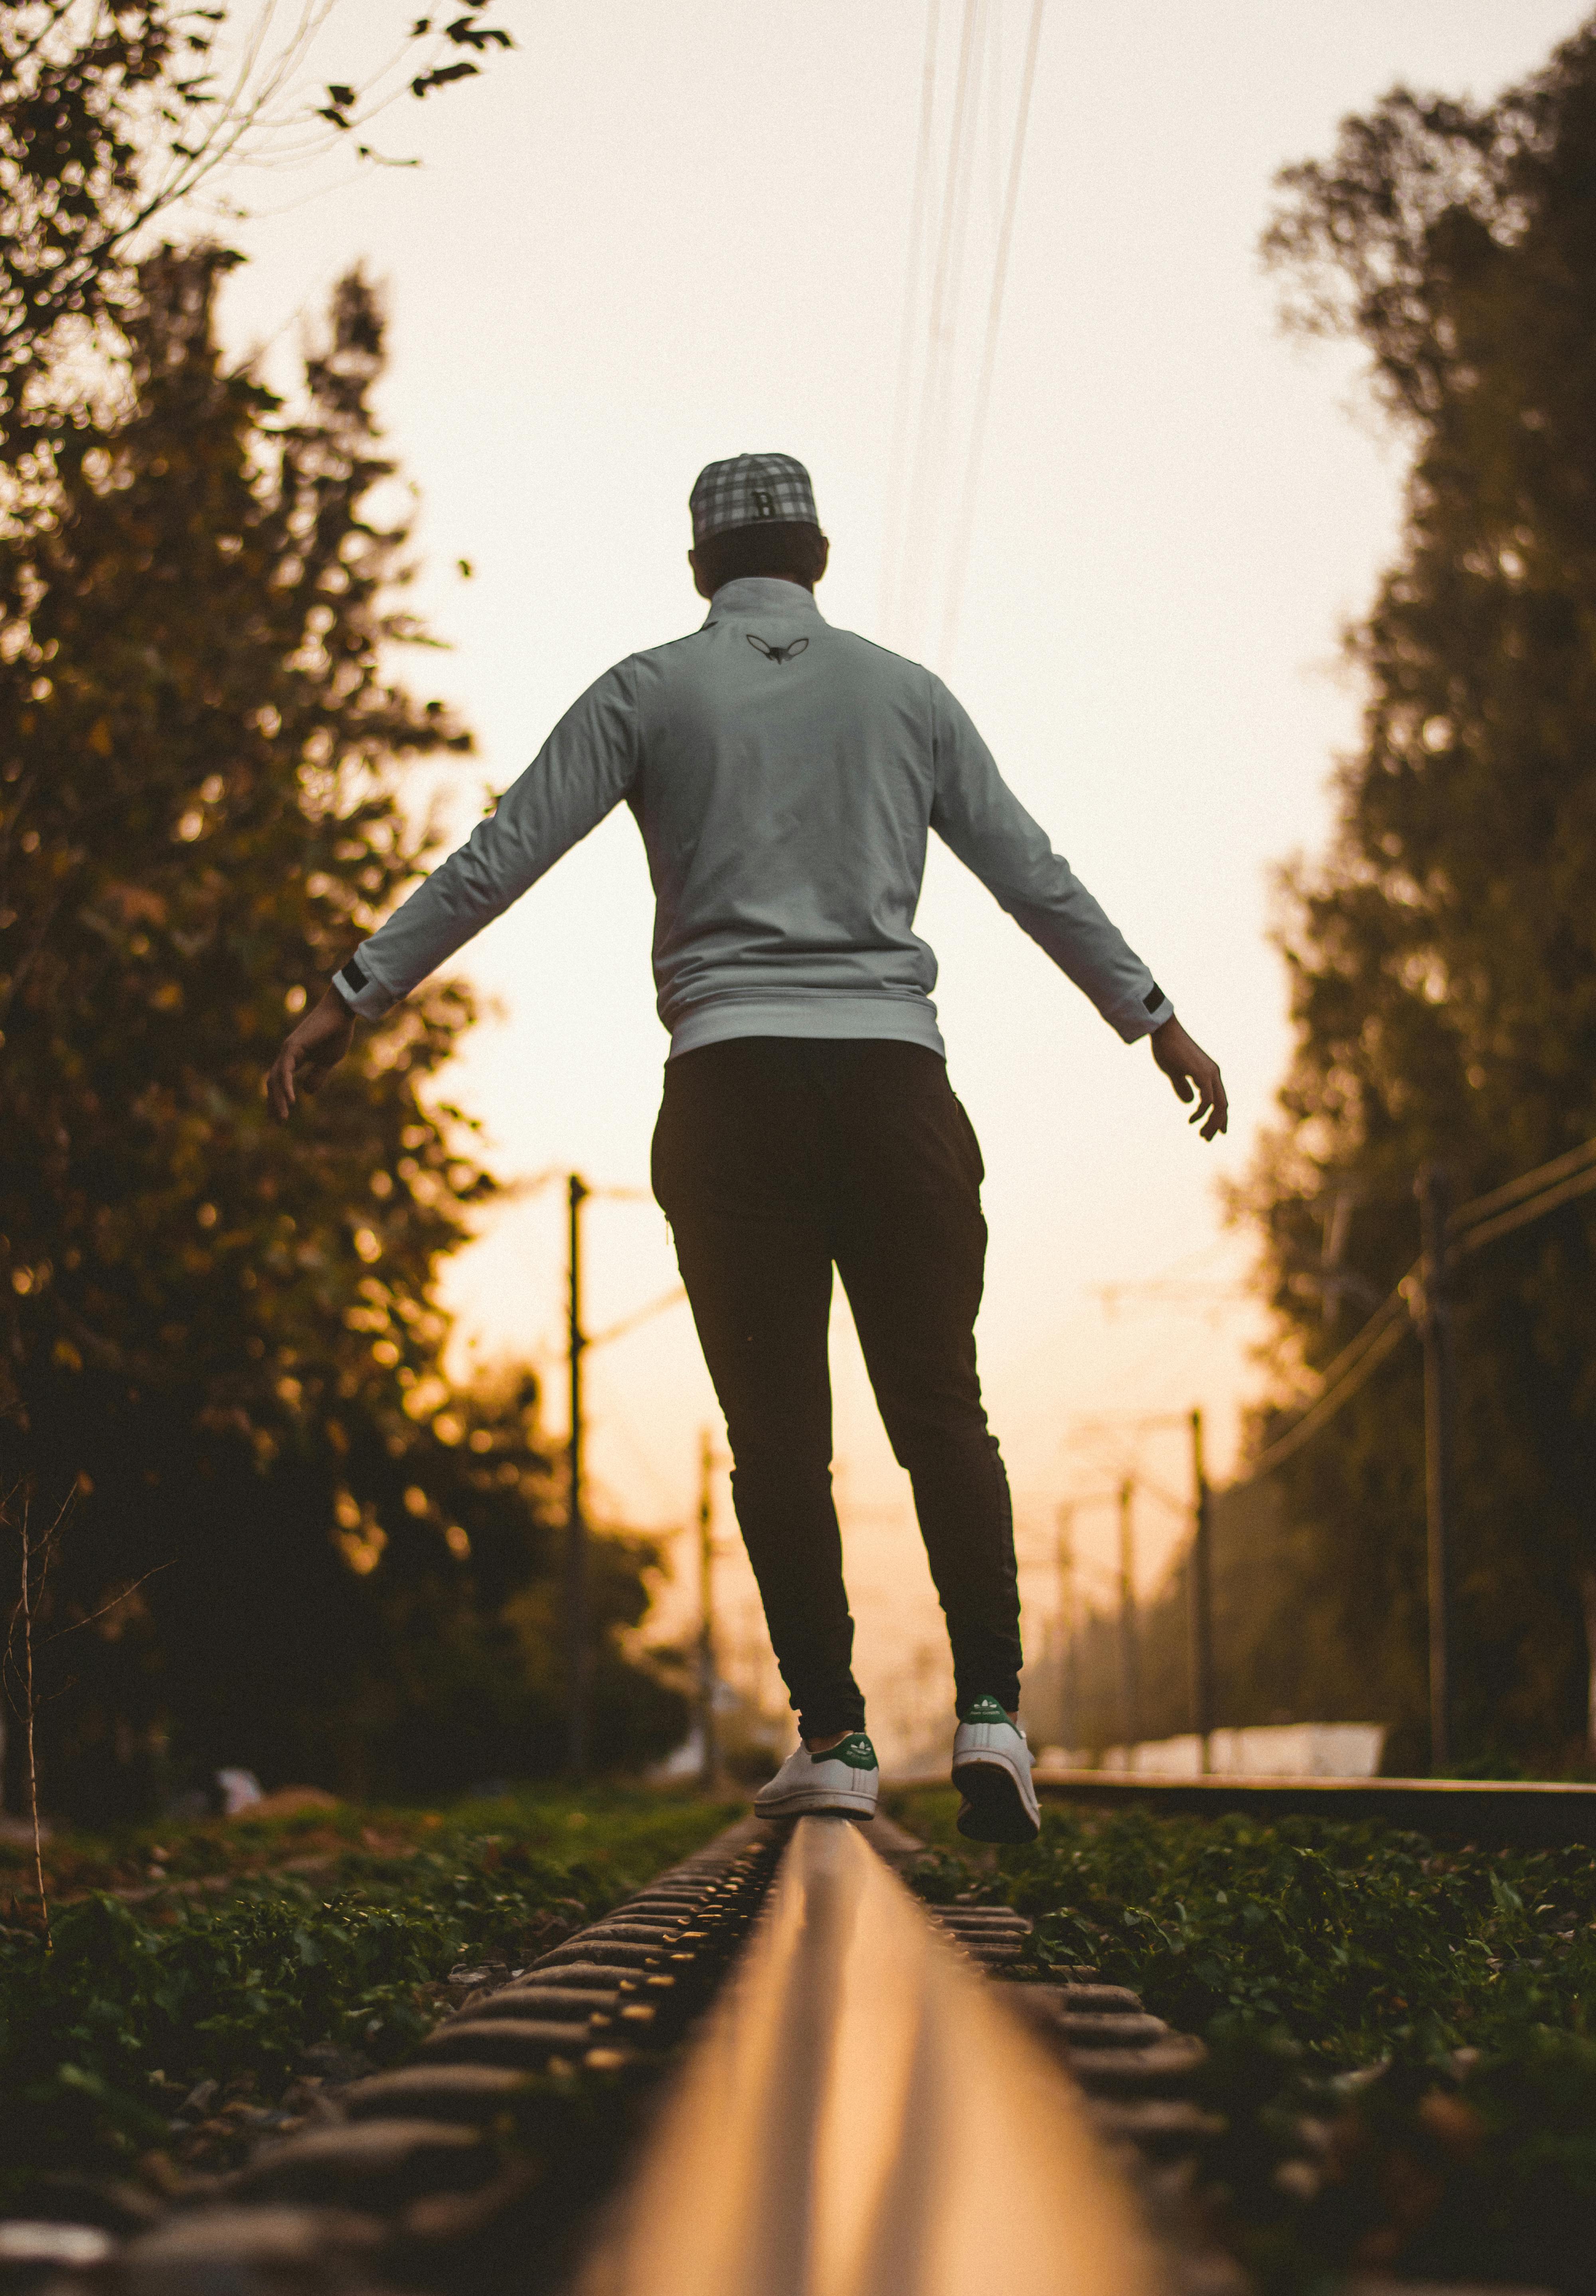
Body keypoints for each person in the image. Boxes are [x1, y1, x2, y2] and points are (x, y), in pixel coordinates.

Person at [268, 452, 1226, 1843]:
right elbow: (1035, 872)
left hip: (731, 1094)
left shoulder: (650, 689)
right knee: (940, 1408)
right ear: (820, 553)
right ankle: (994, 1715)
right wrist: (1157, 1020)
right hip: (899, 1090)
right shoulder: (908, 696)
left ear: (702, 570)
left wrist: (353, 993)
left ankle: (834, 1732)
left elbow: (503, 852)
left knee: (780, 1434)